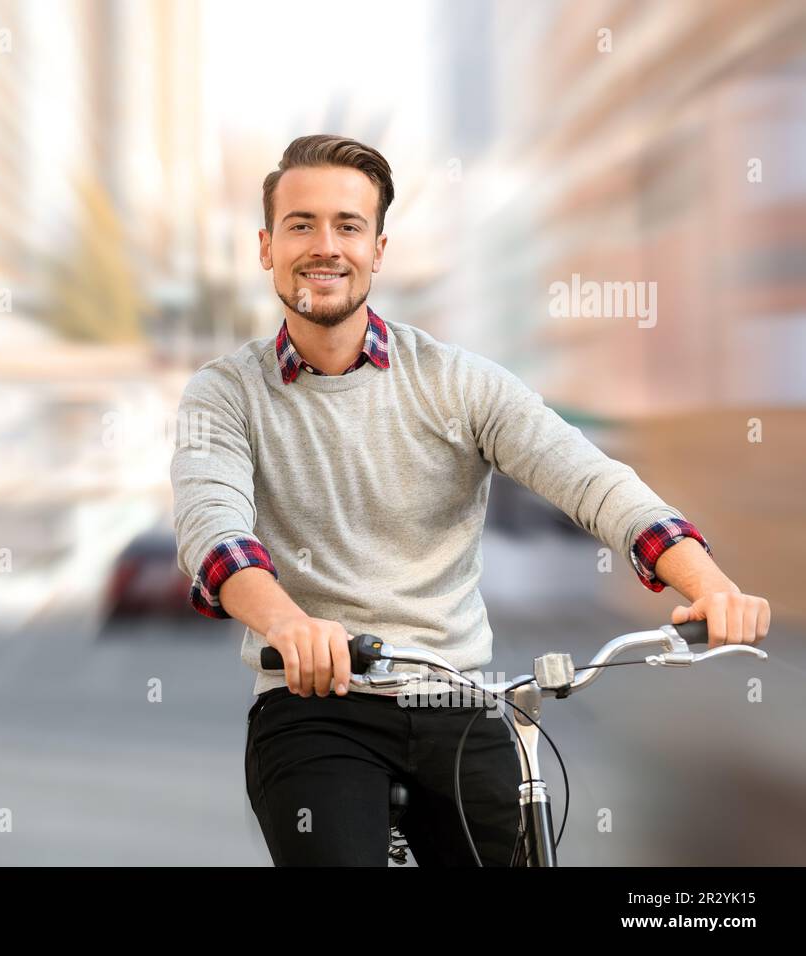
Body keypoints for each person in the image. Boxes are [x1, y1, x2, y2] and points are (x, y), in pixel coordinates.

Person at [169, 133, 772, 866]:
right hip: (314, 704)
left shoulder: (459, 381)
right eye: (302, 224)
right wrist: (291, 625)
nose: (325, 246)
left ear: (379, 249)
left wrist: (708, 584)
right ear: (267, 246)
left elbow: (590, 479)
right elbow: (213, 527)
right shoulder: (224, 393)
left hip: (458, 697)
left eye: (348, 226)